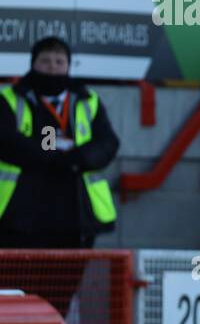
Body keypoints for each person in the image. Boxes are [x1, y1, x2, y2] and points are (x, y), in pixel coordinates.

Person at [0, 37, 118, 249]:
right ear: (33, 64)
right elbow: (6, 140)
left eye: (59, 62)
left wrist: (76, 159)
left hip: (76, 213)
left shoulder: (87, 99)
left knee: (68, 279)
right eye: (45, 61)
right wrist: (50, 158)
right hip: (19, 216)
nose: (52, 68)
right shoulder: (10, 98)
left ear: (68, 66)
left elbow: (107, 143)